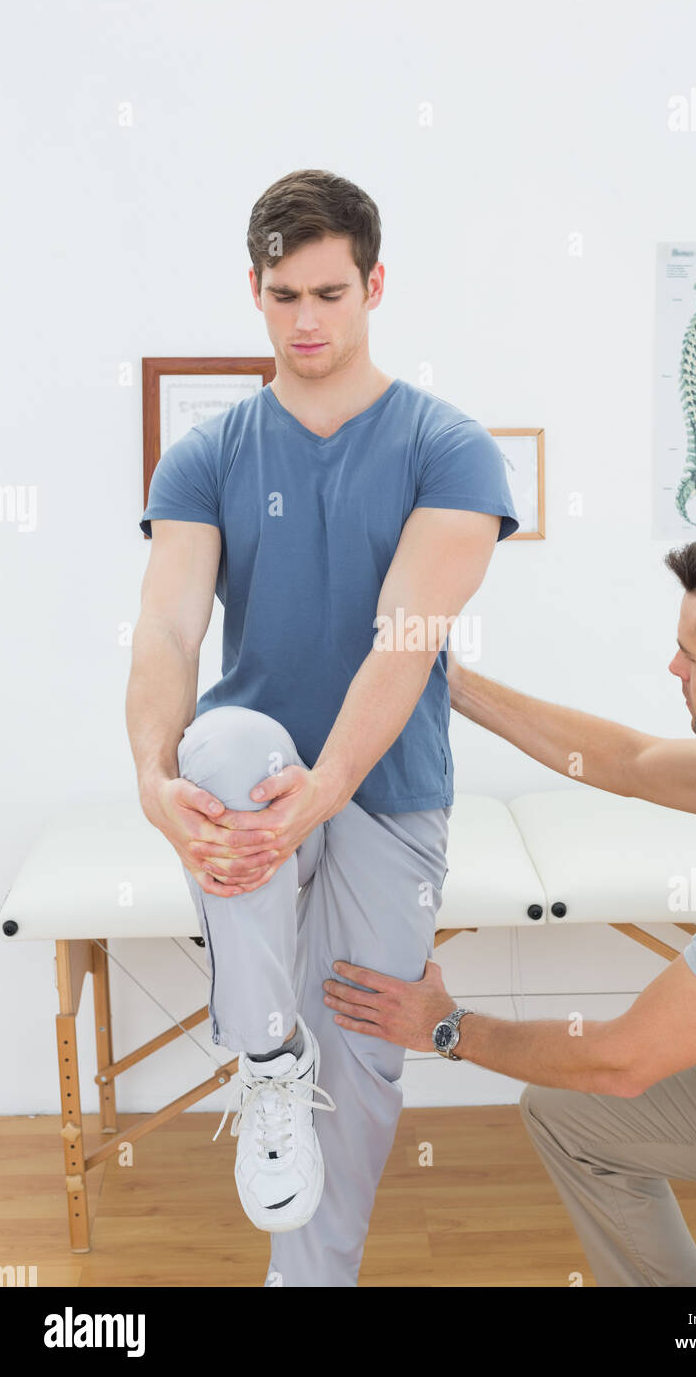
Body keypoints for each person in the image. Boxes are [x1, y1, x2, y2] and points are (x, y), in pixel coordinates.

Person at [126, 167, 519, 1286]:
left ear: (374, 286)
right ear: (253, 290)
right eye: (283, 295)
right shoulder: (206, 456)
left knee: (360, 1056)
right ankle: (263, 1052)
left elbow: (407, 635)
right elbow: (167, 631)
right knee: (219, 744)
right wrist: (153, 783)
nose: (306, 320)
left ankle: (309, 1281)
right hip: (251, 783)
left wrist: (329, 785)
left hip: (387, 791)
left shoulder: (448, 448)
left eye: (329, 294)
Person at [323, 533, 696, 1286]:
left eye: (690, 656)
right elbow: (629, 762)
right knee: (568, 1115)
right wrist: (448, 679)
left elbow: (621, 1061)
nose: (673, 668)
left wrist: (444, 1027)